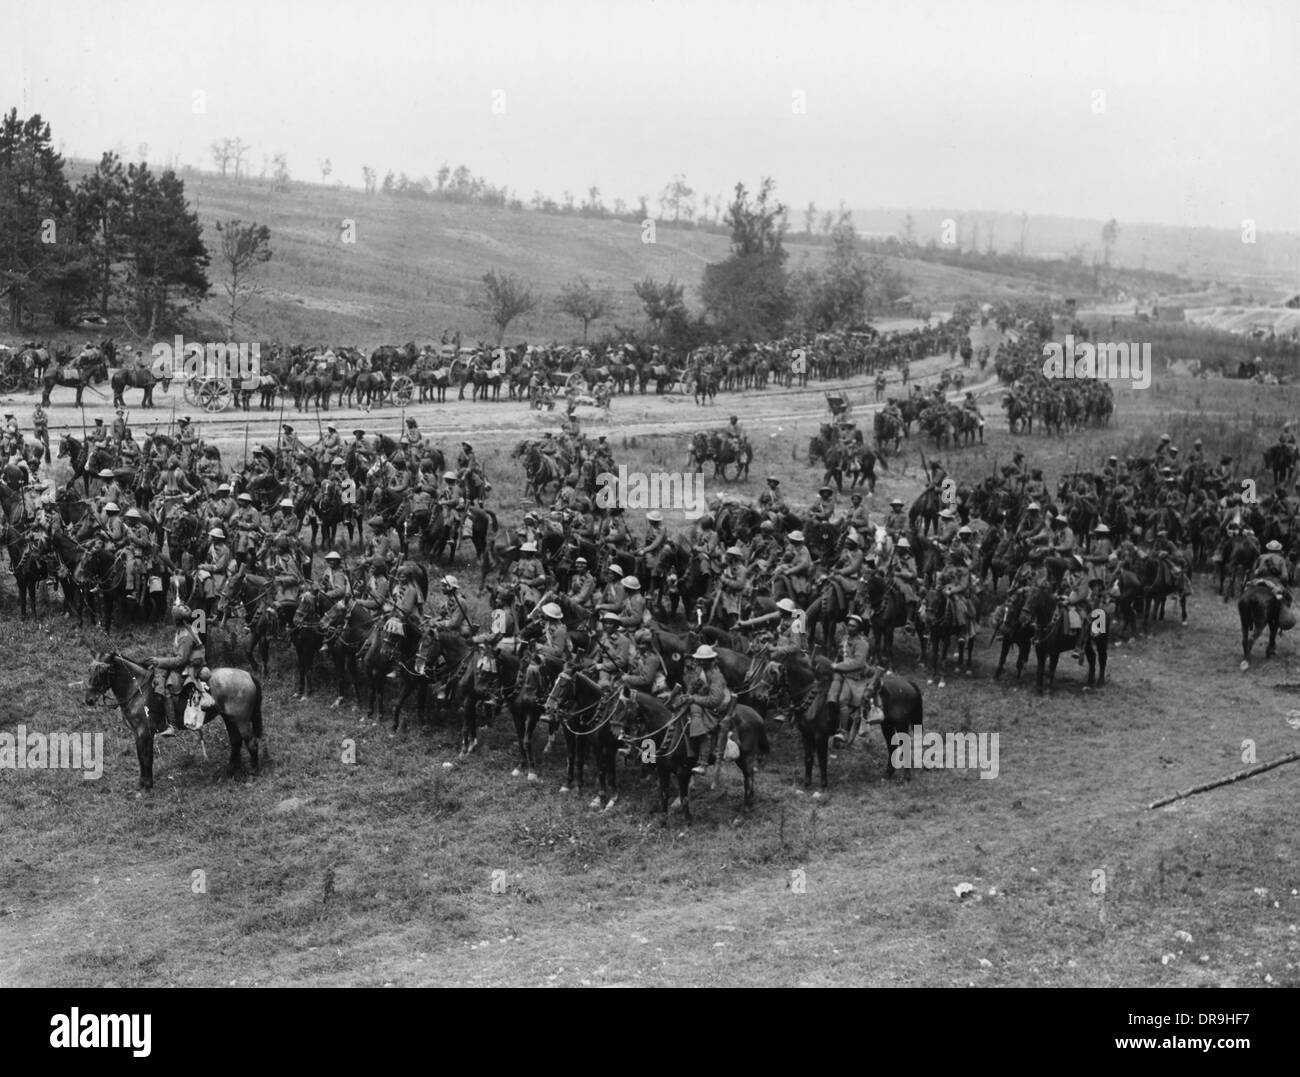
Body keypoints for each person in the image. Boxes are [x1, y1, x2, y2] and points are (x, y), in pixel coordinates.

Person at [148, 605, 207, 737]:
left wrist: (159, 661)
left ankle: (172, 725)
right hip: (184, 663)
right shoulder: (182, 631)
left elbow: (181, 660)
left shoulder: (186, 636)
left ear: (177, 620)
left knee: (168, 689)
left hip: (190, 667)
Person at [686, 645, 730, 776]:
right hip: (702, 701)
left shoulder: (717, 676)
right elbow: (695, 686)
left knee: (702, 728)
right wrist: (688, 694)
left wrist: (694, 699)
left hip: (714, 708)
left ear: (710, 660)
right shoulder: (702, 671)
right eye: (698, 659)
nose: (699, 662)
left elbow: (714, 700)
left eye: (702, 660)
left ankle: (702, 763)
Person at [828, 614, 871, 746]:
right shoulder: (845, 639)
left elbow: (858, 663)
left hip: (854, 676)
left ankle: (843, 731)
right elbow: (840, 655)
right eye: (849, 625)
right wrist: (834, 663)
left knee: (842, 699)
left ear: (859, 629)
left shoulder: (862, 644)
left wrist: (838, 666)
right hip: (842, 673)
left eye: (853, 626)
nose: (849, 627)